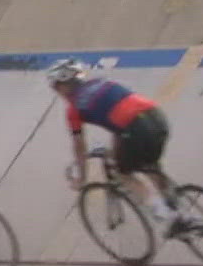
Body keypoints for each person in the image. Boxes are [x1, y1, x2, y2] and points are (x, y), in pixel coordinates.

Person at [45, 58, 185, 235]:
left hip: (135, 129)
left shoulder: (74, 110)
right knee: (149, 165)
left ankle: (165, 215)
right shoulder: (104, 83)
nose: (56, 91)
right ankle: (180, 212)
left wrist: (82, 178)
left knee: (123, 172)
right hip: (156, 118)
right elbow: (120, 119)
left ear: (64, 85)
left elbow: (79, 146)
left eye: (56, 86)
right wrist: (114, 150)